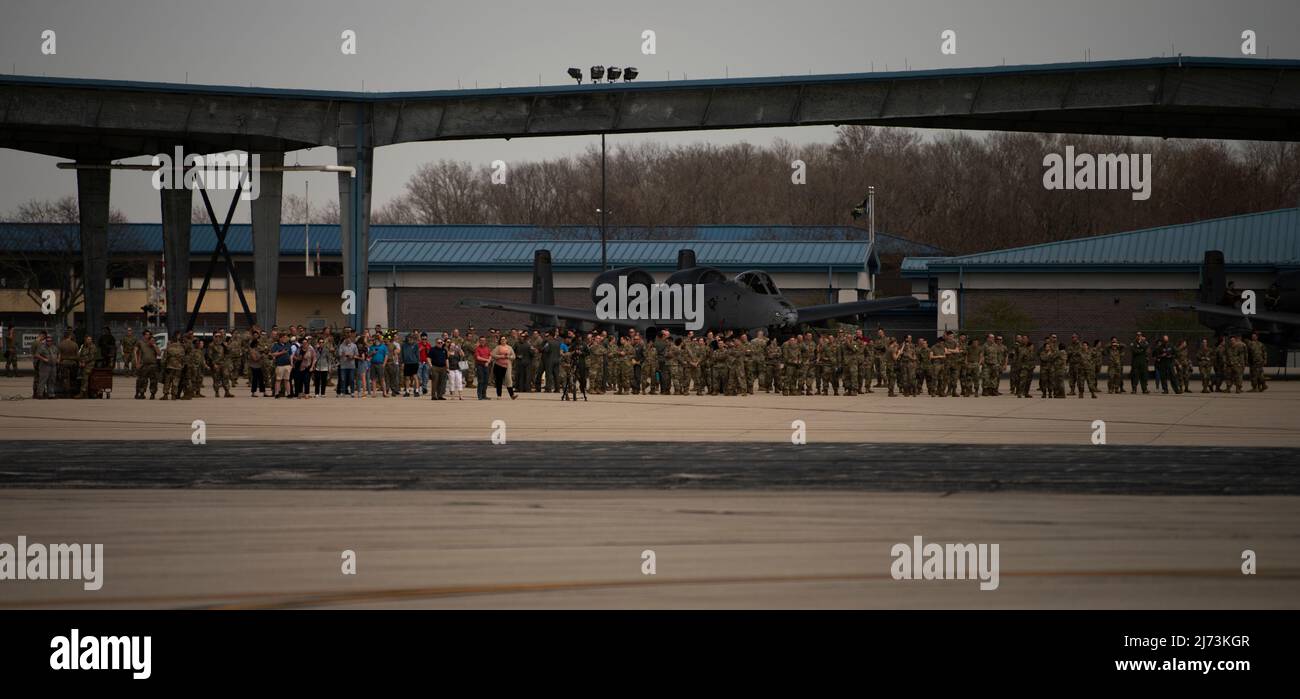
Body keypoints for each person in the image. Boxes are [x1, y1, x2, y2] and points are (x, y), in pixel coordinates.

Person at [474, 336, 492, 400]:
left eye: (483, 340)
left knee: (486, 381)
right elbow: (478, 357)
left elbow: (490, 355)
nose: (482, 341)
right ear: (479, 341)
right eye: (481, 340)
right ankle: (480, 395)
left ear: (485, 341)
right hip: (480, 366)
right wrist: (486, 360)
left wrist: (488, 361)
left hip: (486, 366)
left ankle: (484, 395)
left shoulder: (487, 348)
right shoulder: (477, 348)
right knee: (481, 381)